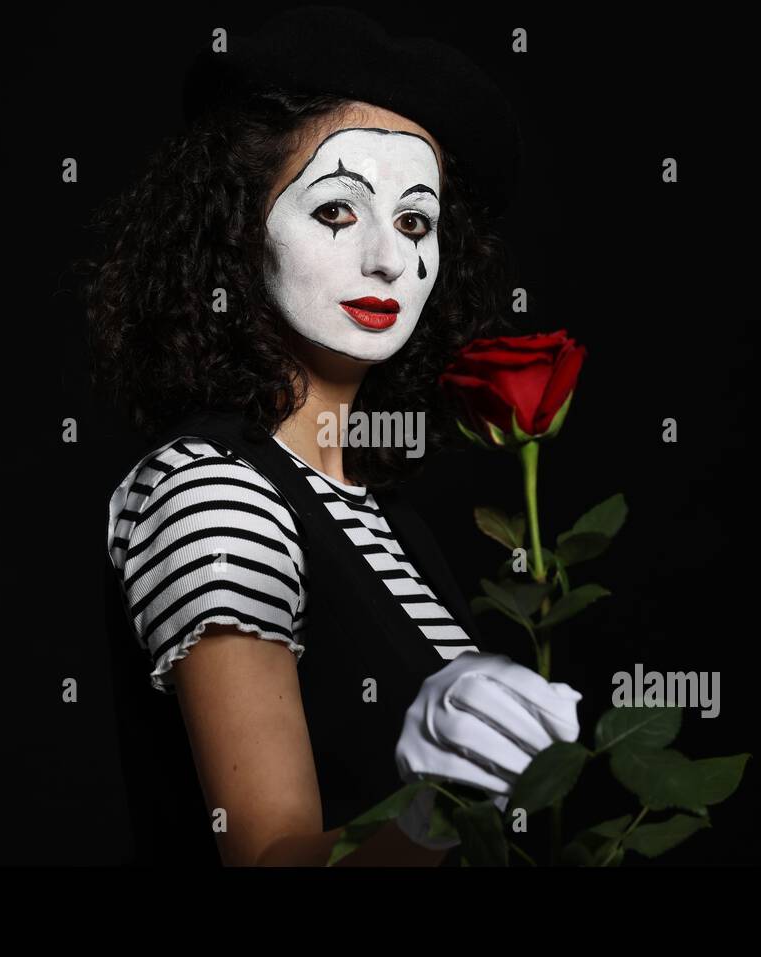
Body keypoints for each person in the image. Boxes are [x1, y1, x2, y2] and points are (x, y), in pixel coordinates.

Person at [85, 7, 583, 866]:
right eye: (339, 212)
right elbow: (269, 856)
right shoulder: (212, 488)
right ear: (239, 229)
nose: (388, 258)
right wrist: (438, 809)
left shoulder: (391, 525)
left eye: (416, 223)